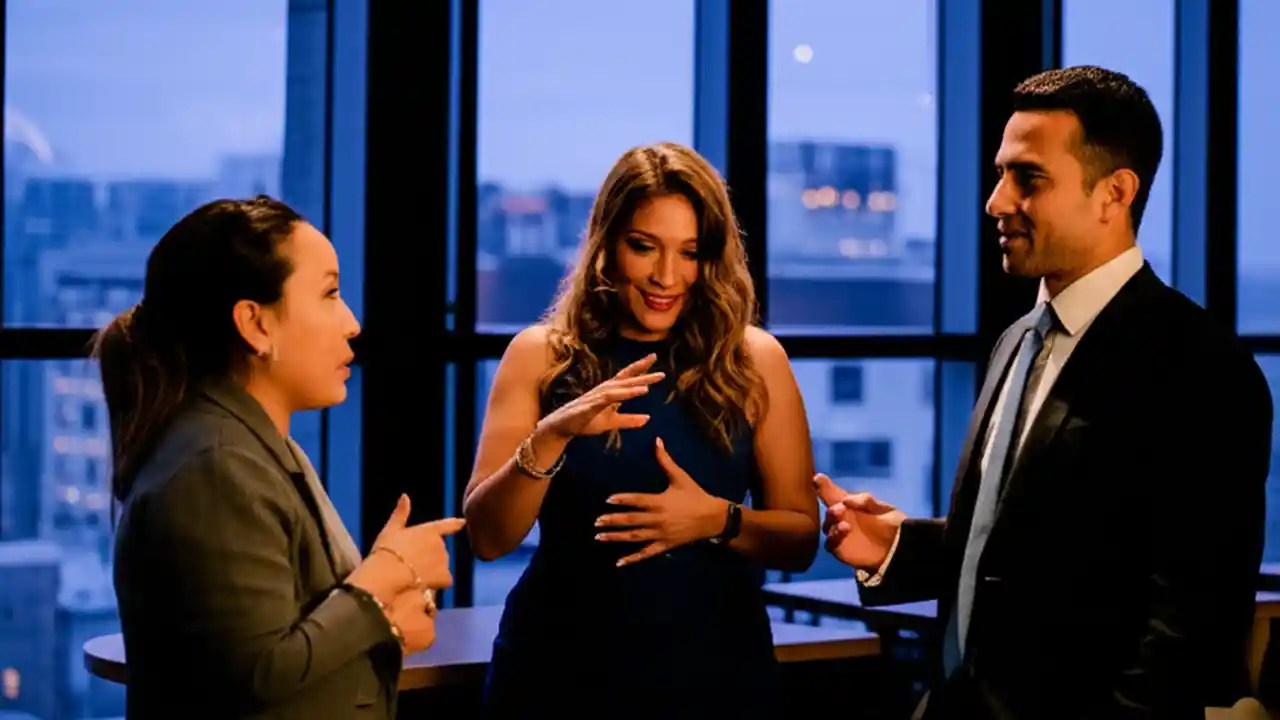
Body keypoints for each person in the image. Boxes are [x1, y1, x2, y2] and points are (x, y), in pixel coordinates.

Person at [817, 66, 1273, 718]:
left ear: (1114, 193)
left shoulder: (1200, 367)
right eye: (1002, 173)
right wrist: (897, 546)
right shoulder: (1015, 341)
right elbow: (1037, 545)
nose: (996, 202)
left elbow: (1191, 624)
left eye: (1027, 178)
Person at [463, 142, 820, 718]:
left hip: (714, 675)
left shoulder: (755, 361)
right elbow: (488, 538)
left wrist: (715, 520)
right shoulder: (538, 357)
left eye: (689, 252)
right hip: (556, 674)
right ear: (606, 244)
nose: (666, 276)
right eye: (643, 247)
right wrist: (552, 435)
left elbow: (801, 539)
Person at [97, 196, 463, 719]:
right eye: (330, 294)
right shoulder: (216, 466)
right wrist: (385, 577)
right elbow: (256, 675)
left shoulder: (251, 445)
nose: (352, 322)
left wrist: (388, 615)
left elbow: (296, 646)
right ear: (255, 324)